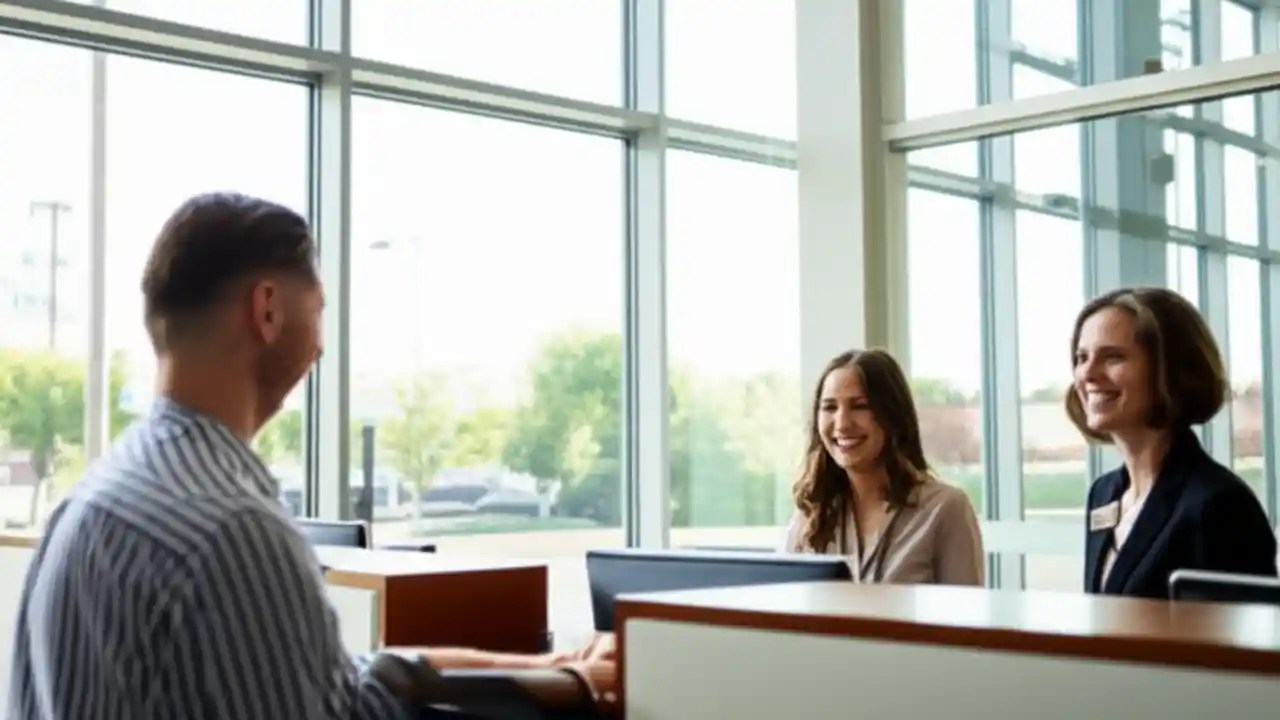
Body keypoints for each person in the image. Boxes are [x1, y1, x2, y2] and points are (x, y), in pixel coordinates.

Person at [7, 192, 614, 719]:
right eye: (319, 310)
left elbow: (339, 680)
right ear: (267, 309)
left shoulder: (95, 497)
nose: (321, 345)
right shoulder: (232, 527)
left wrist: (557, 668)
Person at [1070, 287, 1277, 598]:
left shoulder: (1219, 505)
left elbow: (1249, 641)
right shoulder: (1103, 494)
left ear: (1170, 370)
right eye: (1082, 357)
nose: (1087, 373)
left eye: (1113, 357)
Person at [781, 349, 984, 585]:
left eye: (860, 406)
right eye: (829, 407)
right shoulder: (812, 512)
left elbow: (963, 616)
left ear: (893, 415)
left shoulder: (945, 509)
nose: (843, 423)